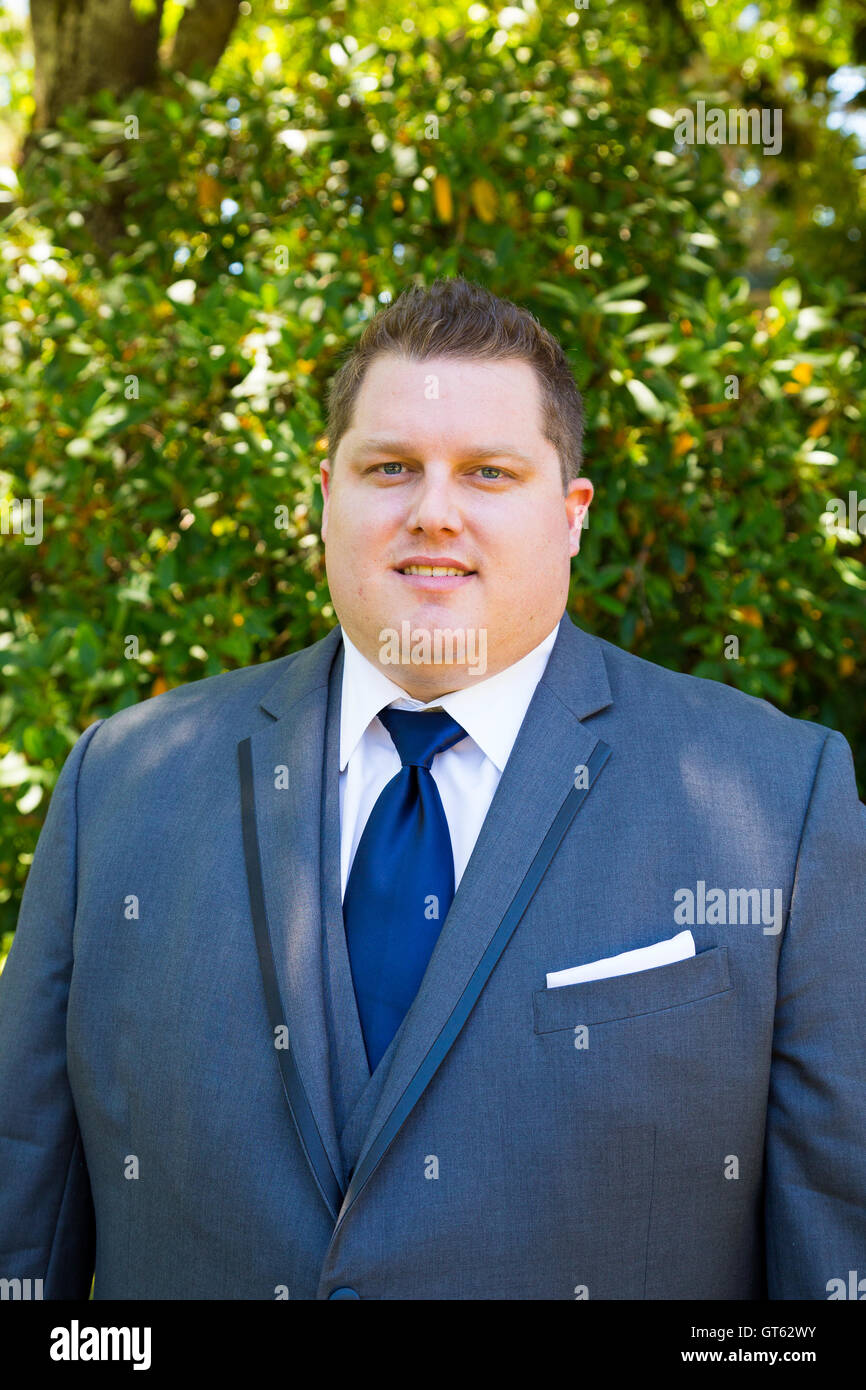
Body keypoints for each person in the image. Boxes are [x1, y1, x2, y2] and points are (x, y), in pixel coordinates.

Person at [1, 276, 864, 1301]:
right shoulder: (122, 786)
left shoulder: (781, 801)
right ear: (327, 495)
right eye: (390, 468)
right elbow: (24, 1223)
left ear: (570, 511)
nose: (433, 512)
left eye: (488, 473)